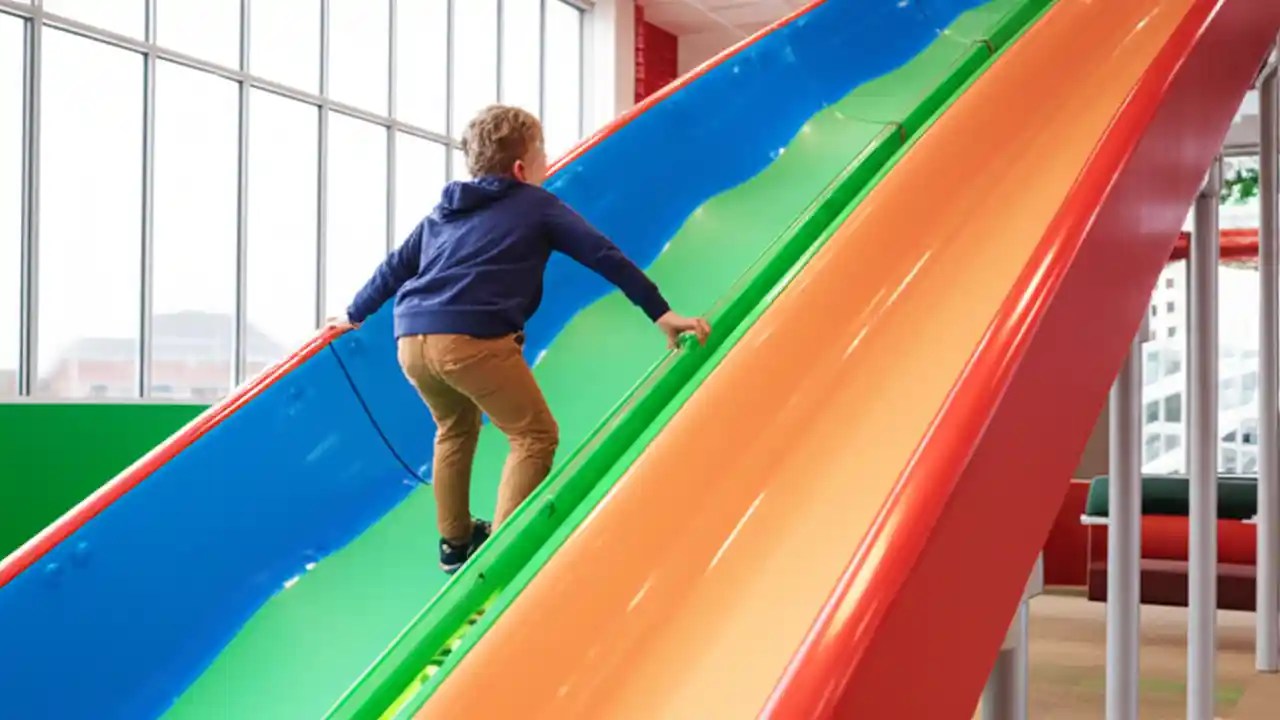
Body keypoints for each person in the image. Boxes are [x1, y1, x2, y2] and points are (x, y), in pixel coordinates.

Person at [336, 105, 710, 573]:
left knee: (454, 428)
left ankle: (455, 544)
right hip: (468, 338)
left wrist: (352, 314)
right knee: (535, 435)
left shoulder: (442, 214)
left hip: (410, 338)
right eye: (543, 154)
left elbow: (396, 265)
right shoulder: (535, 204)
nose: (548, 163)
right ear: (521, 168)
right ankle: (497, 562)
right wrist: (661, 311)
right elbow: (602, 254)